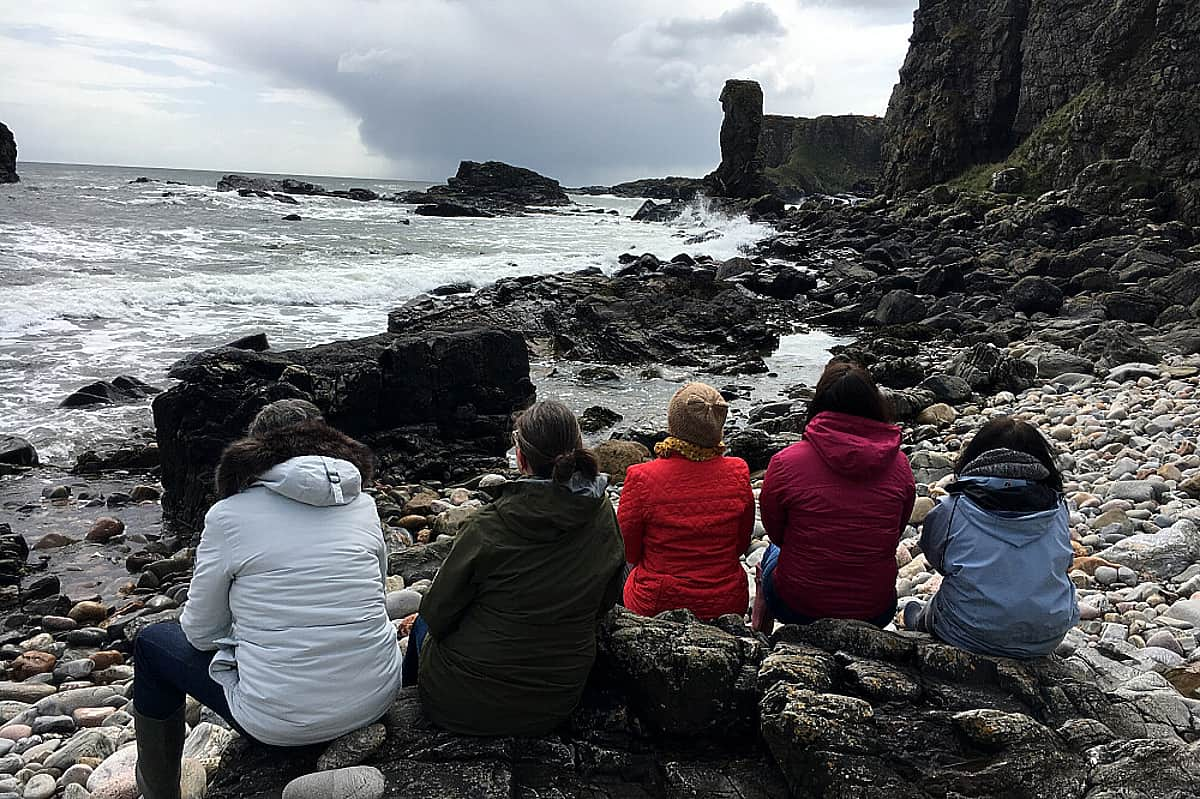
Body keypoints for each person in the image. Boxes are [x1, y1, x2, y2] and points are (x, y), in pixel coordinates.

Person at [132, 399, 403, 799]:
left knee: (153, 645)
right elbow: (375, 597)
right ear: (325, 440)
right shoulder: (362, 503)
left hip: (280, 723)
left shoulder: (229, 515)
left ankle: (159, 792)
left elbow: (200, 633)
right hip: (376, 697)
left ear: (257, 450)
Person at [403, 400, 625, 736]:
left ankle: (404, 701)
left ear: (521, 459)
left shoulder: (489, 526)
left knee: (421, 625)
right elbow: (608, 598)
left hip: (461, 703)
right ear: (578, 450)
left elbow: (437, 613)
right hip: (557, 699)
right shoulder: (602, 513)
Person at [755, 361, 915, 632]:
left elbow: (776, 532)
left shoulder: (785, 462)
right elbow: (896, 530)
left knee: (772, 551)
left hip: (798, 606)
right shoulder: (900, 465)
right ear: (875, 405)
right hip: (874, 609)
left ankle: (761, 623)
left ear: (818, 404)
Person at [903, 417, 1079, 658]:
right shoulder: (1058, 507)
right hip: (1048, 635)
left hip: (970, 634)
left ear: (975, 456)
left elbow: (936, 558)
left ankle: (920, 621)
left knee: (935, 605)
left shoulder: (952, 508)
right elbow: (1064, 562)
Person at [619, 382, 755, 620]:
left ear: (674, 423)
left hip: (658, 602)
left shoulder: (641, 477)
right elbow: (741, 544)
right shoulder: (739, 471)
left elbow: (628, 550)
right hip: (726, 601)